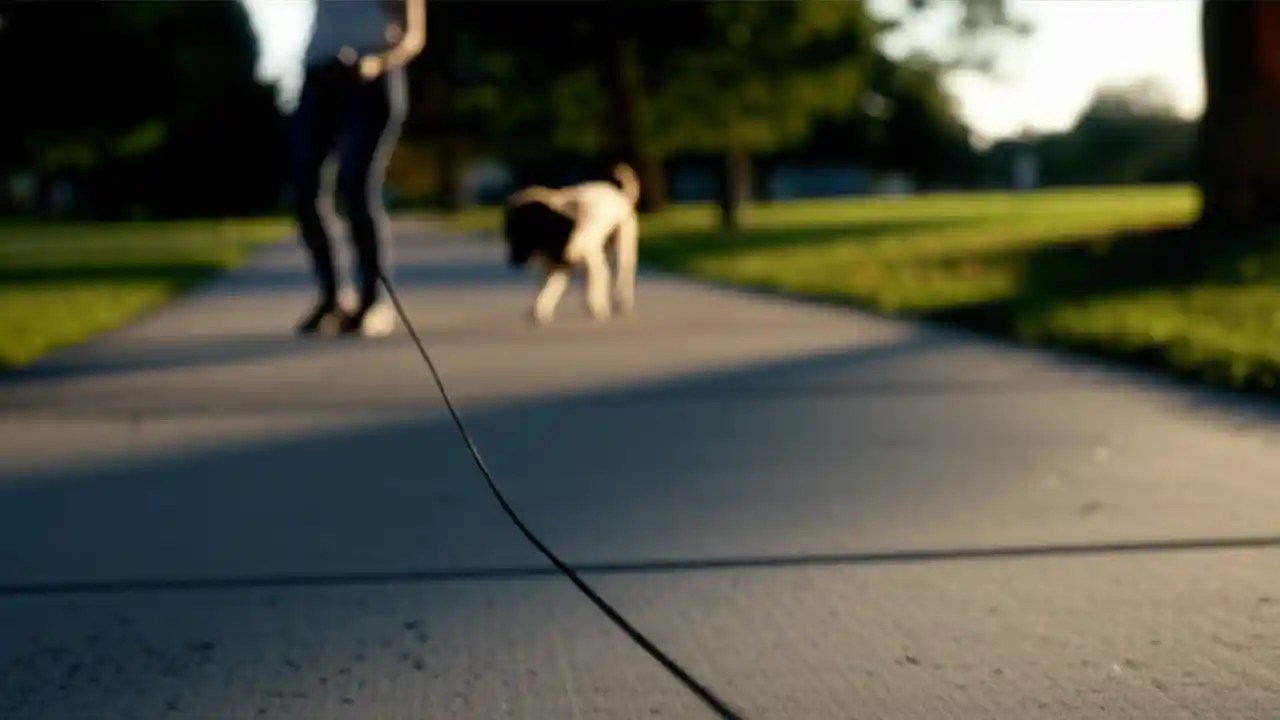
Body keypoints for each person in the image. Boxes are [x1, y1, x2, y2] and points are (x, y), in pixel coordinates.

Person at [292, 0, 426, 336]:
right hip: (320, 75)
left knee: (356, 186)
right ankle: (333, 297)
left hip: (371, 78)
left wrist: (377, 62)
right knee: (304, 190)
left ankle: (373, 300)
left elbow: (413, 36)